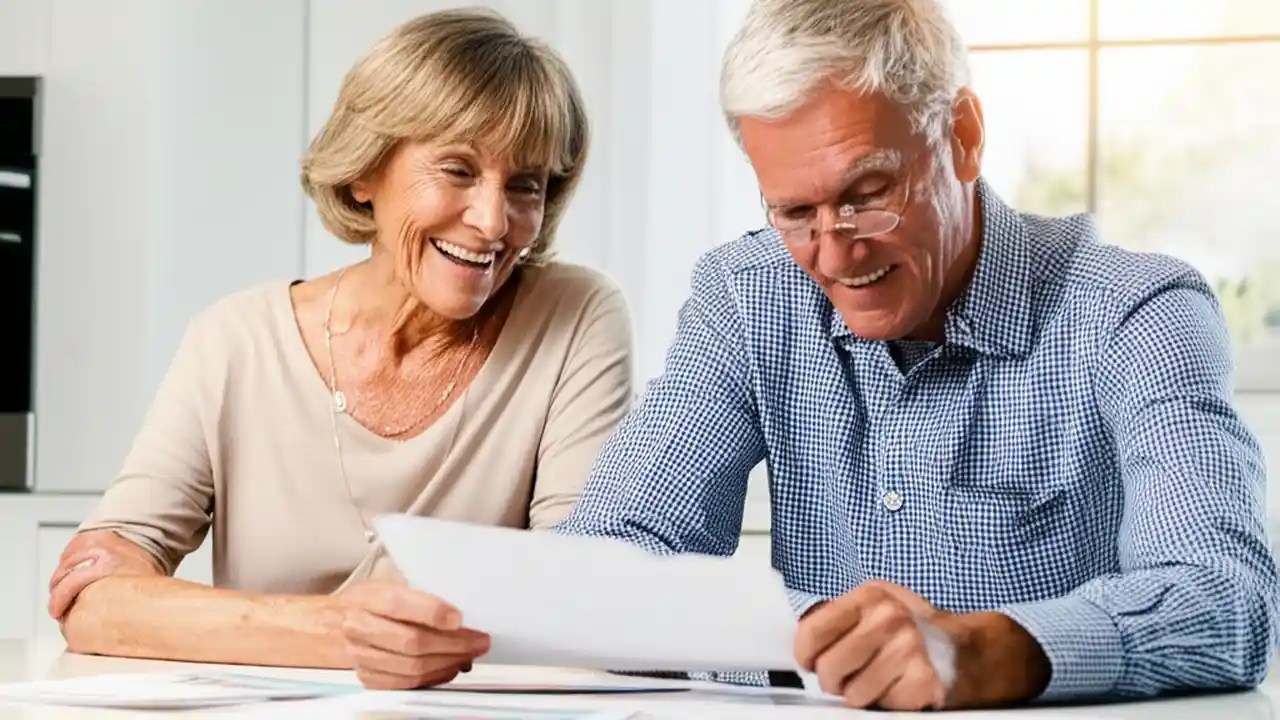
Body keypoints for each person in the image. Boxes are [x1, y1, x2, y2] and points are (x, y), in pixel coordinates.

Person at [337, 0, 1280, 708]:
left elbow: (1227, 600)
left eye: (867, 195)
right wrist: (477, 619)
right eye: (794, 211)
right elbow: (622, 553)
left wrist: (989, 651)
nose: (833, 255)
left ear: (962, 137)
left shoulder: (1134, 312)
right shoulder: (749, 297)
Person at [46, 8, 632, 690]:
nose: (492, 220)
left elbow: (575, 596)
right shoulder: (235, 341)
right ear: (365, 172)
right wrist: (343, 633)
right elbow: (93, 599)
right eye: (457, 170)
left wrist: (211, 622)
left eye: (525, 185)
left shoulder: (574, 316)